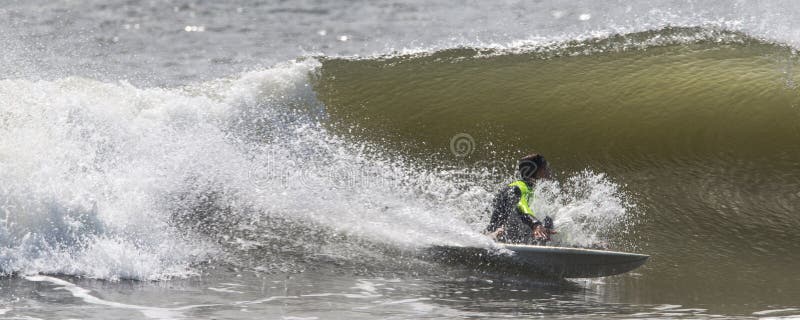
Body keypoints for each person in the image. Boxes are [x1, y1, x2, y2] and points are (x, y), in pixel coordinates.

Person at [486, 153, 556, 244]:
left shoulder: (529, 188)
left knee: (547, 220)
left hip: (510, 232)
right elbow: (521, 206)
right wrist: (535, 224)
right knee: (501, 230)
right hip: (497, 233)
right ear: (536, 171)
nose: (548, 170)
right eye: (544, 167)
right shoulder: (518, 187)